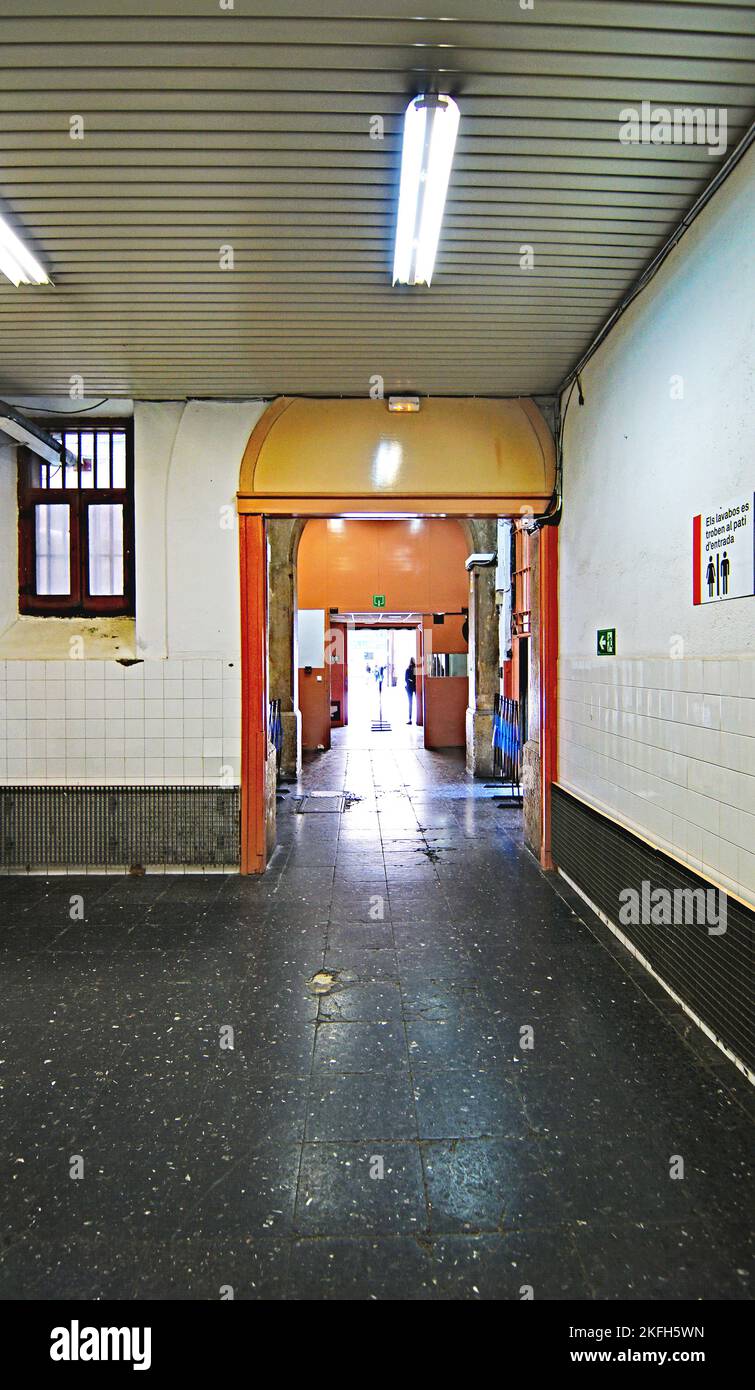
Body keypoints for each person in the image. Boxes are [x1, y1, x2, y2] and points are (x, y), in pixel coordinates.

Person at [405, 657, 417, 723]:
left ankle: (410, 719)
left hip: (409, 687)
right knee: (418, 702)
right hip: (415, 687)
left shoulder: (407, 669)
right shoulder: (416, 669)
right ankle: (418, 719)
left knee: (410, 703)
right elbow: (416, 679)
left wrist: (410, 681)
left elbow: (406, 679)